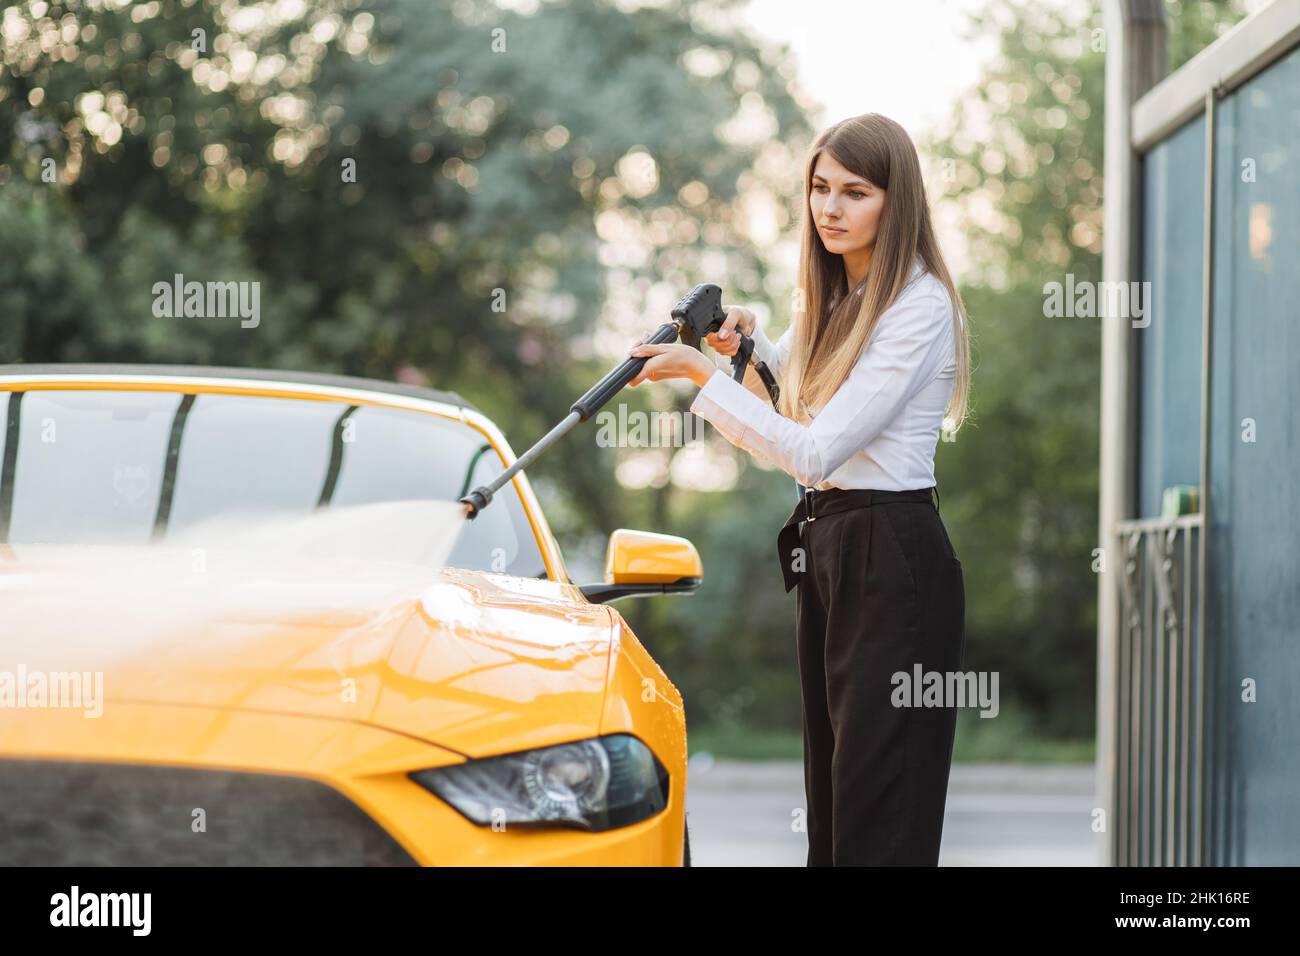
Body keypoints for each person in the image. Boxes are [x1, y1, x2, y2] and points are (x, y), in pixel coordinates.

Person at [625, 112, 972, 866]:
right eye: (820, 188)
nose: (830, 208)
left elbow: (813, 452)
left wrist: (703, 376)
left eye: (855, 192)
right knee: (835, 811)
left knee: (878, 817)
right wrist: (744, 352)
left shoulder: (918, 305)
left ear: (897, 201)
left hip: (891, 555)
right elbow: (792, 405)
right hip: (831, 544)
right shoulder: (833, 295)